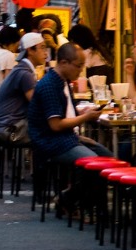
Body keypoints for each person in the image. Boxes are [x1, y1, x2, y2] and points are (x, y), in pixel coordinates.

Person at [27, 43, 112, 210]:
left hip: (66, 137)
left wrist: (80, 131)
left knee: (108, 158)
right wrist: (85, 117)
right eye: (78, 66)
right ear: (64, 62)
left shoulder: (63, 81)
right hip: (50, 142)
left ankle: (89, 205)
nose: (81, 71)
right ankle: (71, 200)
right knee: (94, 162)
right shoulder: (50, 85)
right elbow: (56, 125)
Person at [0, 33, 49, 143]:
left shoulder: (20, 69)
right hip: (9, 128)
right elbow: (37, 105)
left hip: (2, 125)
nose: (46, 53)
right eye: (42, 47)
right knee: (52, 133)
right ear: (30, 50)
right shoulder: (25, 74)